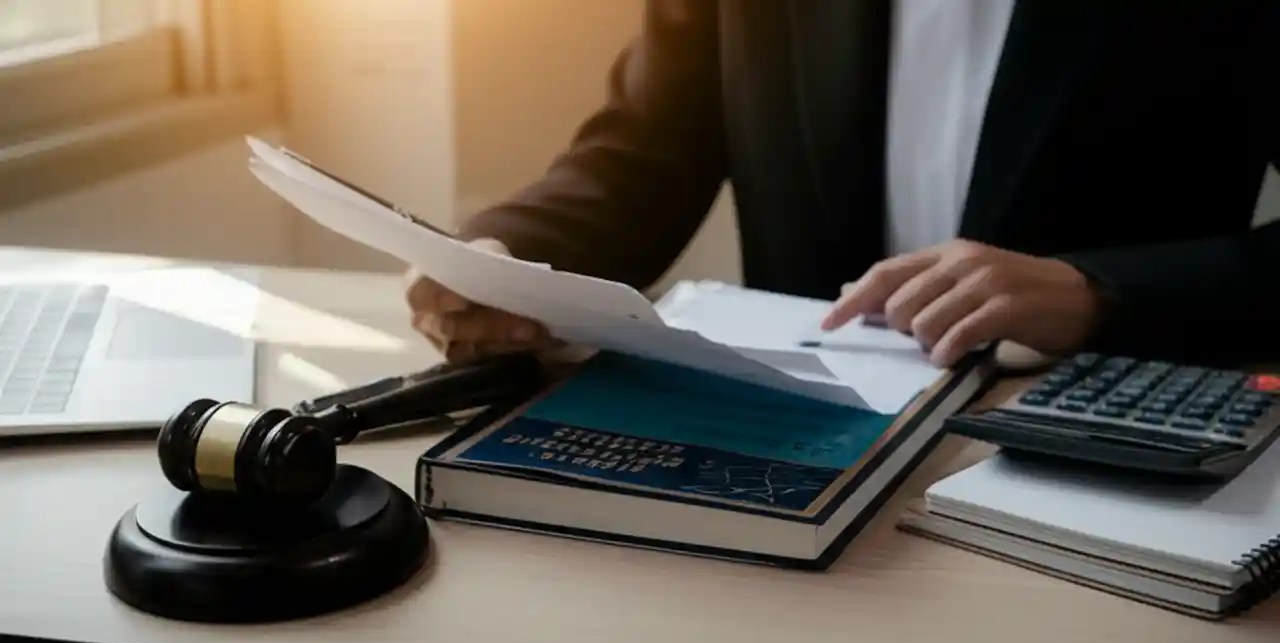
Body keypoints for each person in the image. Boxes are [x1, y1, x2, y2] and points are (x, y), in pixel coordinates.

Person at [407, 1, 1278, 368]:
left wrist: (1101, 295)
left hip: (1109, 475)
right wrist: (508, 258)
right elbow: (646, 149)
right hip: (796, 453)